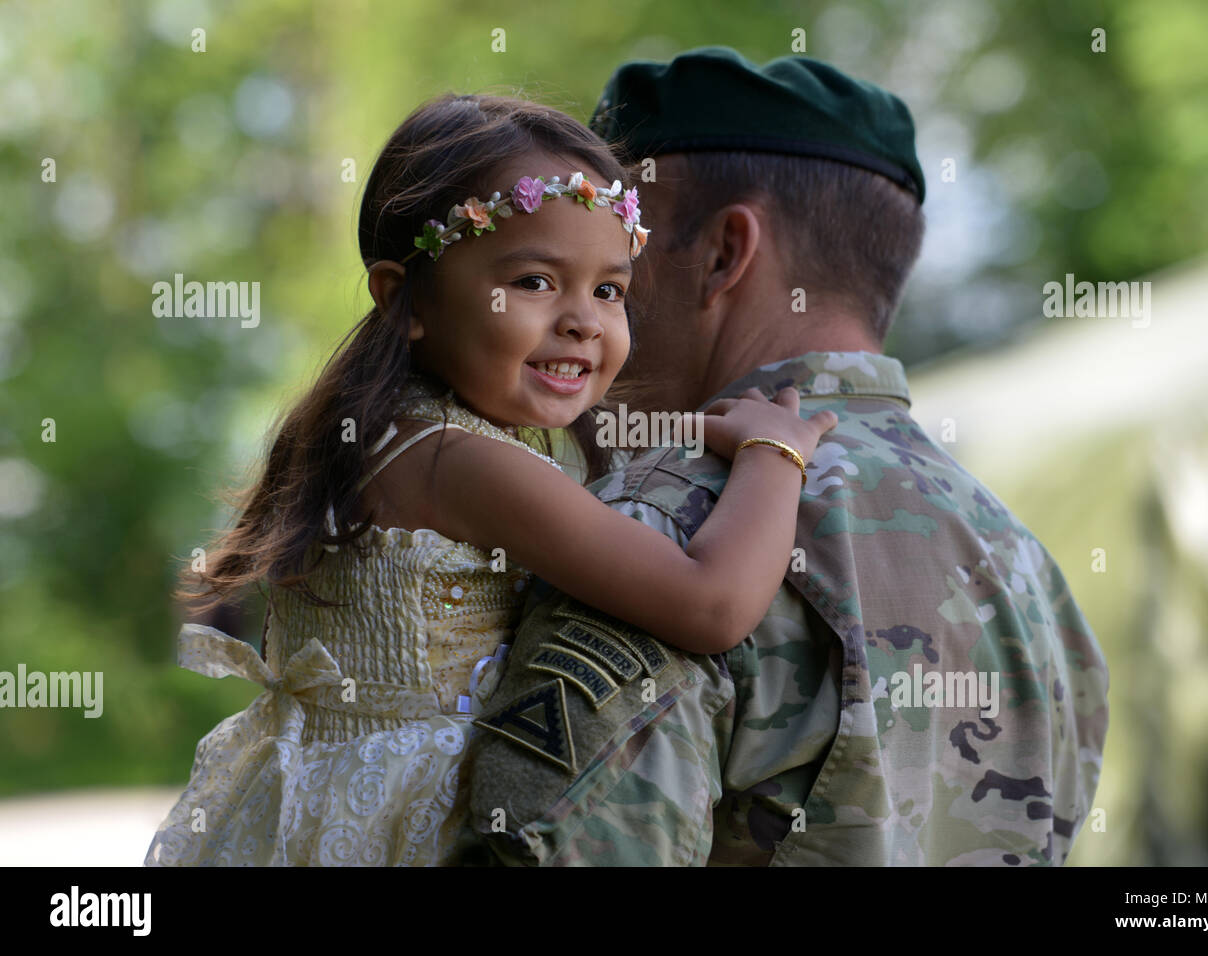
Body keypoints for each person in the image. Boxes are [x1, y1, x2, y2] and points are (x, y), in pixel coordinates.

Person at [143, 91, 836, 866]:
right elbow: (710, 604)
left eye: (609, 290)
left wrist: (685, 429)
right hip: (417, 828)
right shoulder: (455, 461)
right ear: (405, 299)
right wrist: (775, 454)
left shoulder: (391, 433)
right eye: (536, 282)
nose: (583, 319)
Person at [462, 47, 1110, 866]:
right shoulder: (1028, 569)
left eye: (613, 266)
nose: (581, 316)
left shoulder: (660, 530)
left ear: (726, 254)